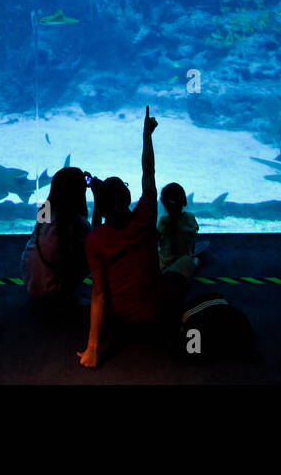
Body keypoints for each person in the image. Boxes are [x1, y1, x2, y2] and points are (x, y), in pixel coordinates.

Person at [78, 107, 194, 368]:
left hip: (118, 318)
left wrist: (92, 349)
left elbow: (98, 294)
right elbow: (148, 171)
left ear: (102, 207)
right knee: (187, 262)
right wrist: (147, 135)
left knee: (99, 284)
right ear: (128, 200)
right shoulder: (144, 216)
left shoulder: (95, 241)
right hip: (155, 311)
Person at [22, 165, 92, 303]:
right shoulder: (77, 223)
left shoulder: (45, 209)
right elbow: (95, 241)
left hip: (30, 280)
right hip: (53, 290)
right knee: (91, 249)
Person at [158, 182, 200, 275]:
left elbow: (159, 242)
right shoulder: (190, 218)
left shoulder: (163, 222)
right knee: (195, 260)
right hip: (184, 267)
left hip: (165, 268)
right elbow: (193, 236)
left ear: (163, 203)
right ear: (184, 201)